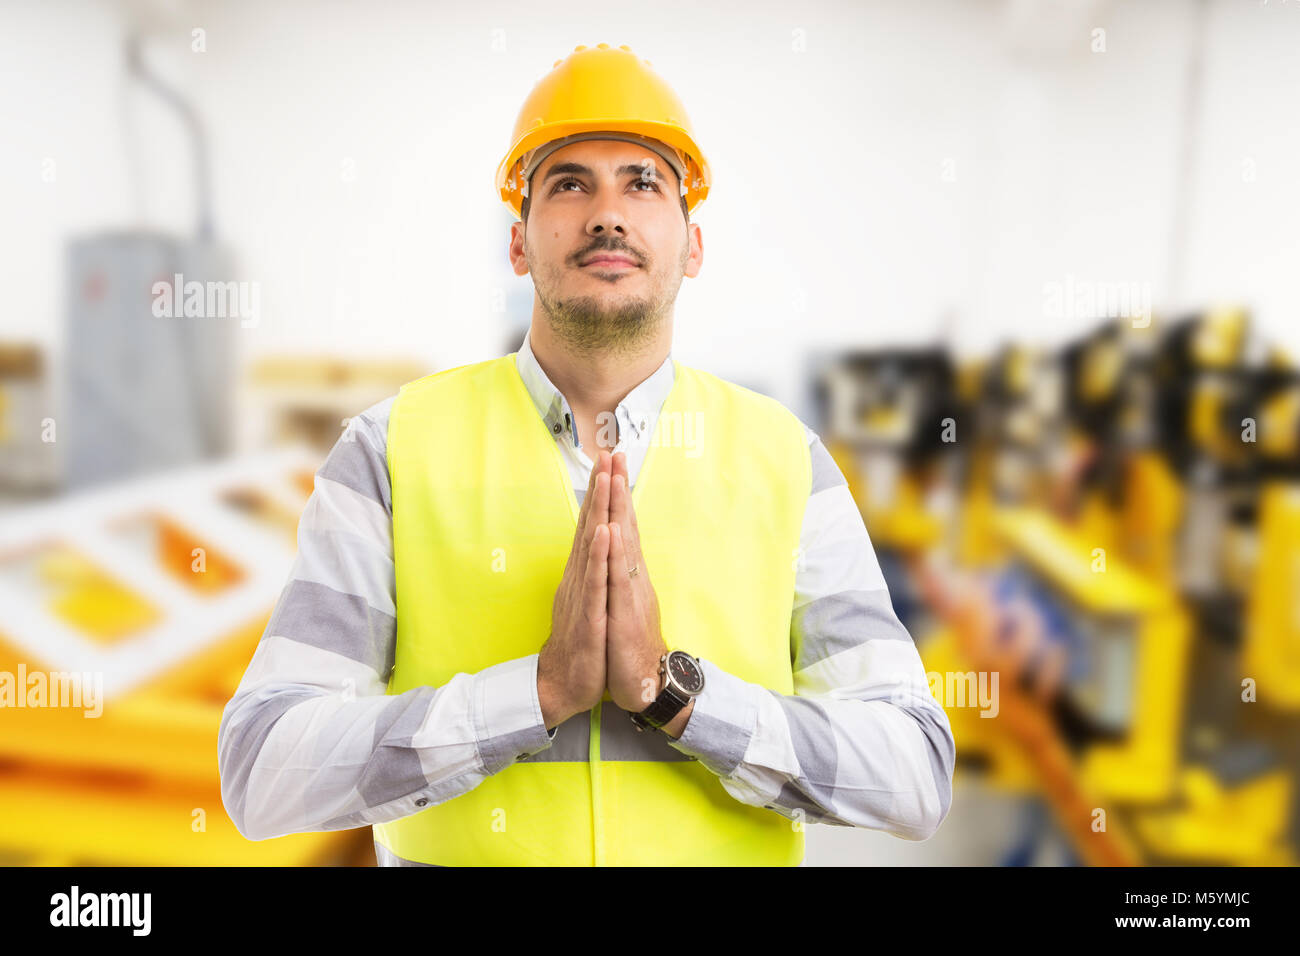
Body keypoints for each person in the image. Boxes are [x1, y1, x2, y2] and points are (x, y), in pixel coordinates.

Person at [218, 42, 955, 866]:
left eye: (644, 182)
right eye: (569, 183)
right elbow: (261, 767)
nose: (608, 212)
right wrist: (532, 695)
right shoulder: (391, 448)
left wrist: (676, 696)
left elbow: (914, 773)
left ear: (693, 244)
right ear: (519, 243)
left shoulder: (787, 459)